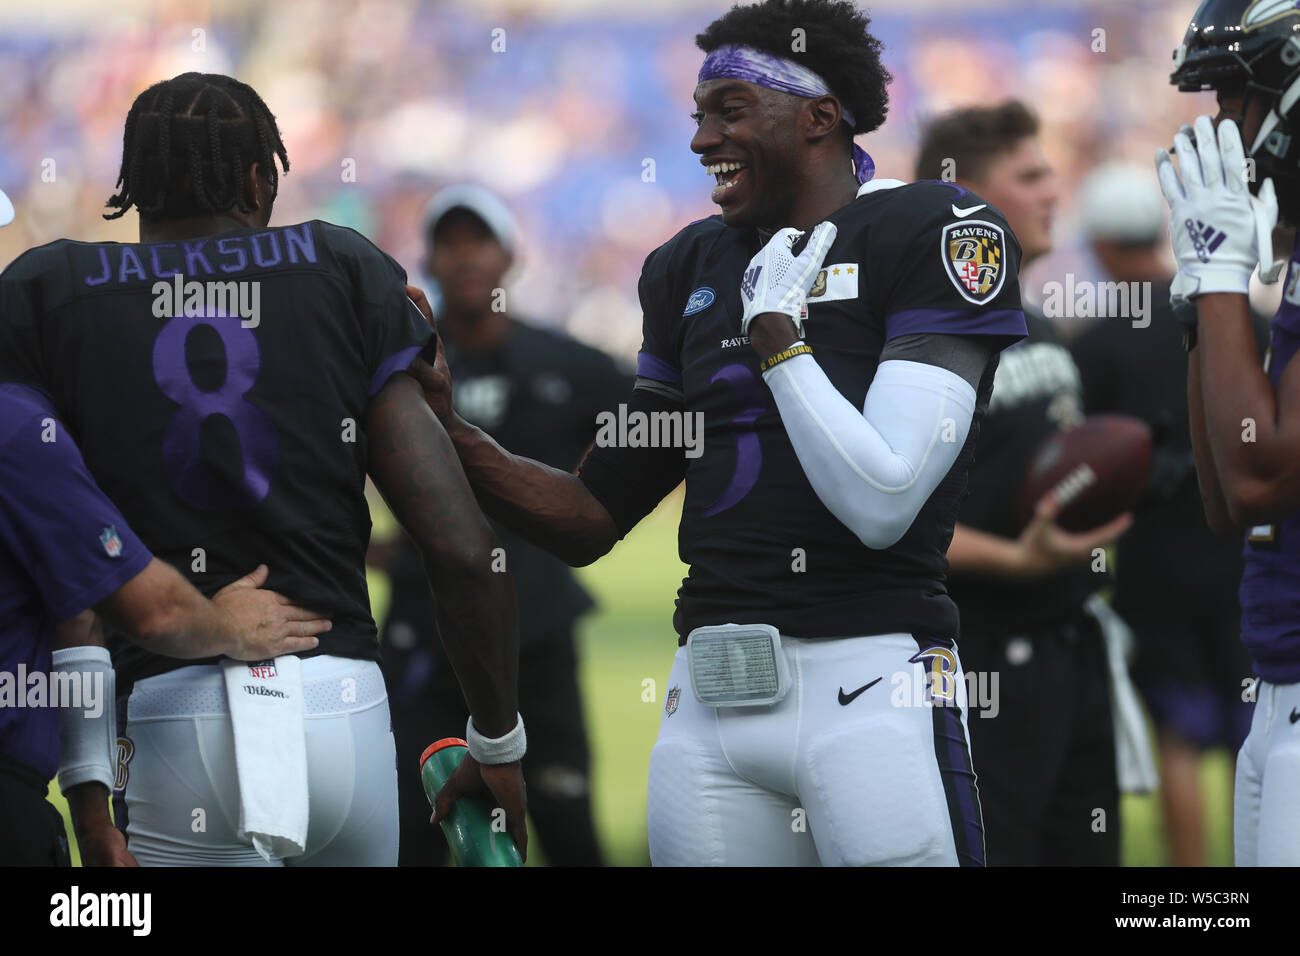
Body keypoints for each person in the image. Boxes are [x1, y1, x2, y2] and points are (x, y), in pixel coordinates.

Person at [407, 0, 1027, 866]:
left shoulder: (929, 229)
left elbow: (883, 502)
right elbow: (591, 514)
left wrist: (782, 345)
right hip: (707, 699)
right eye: (699, 114)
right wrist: (444, 426)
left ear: (820, 117)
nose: (702, 140)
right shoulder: (690, 265)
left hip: (869, 676)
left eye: (729, 110)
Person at [0, 72, 527, 865]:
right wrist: (497, 742)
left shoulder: (49, 290)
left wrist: (86, 789)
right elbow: (461, 546)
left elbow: (67, 579)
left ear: (133, 182)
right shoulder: (342, 267)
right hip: (342, 708)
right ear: (257, 179)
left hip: (169, 717)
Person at [377, 185, 625, 866]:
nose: (465, 257)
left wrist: (594, 503)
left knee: (569, 829)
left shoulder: (570, 362)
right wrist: (363, 544)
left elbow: (650, 436)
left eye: (479, 240)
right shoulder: (396, 370)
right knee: (413, 838)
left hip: (537, 630)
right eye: (449, 243)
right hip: (424, 633)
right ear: (429, 259)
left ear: (511, 256)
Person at [916, 101, 1134, 866]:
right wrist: (1016, 559)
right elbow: (884, 515)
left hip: (1070, 640)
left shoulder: (1033, 320)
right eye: (1031, 176)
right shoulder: (925, 334)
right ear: (969, 197)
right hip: (980, 654)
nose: (1053, 192)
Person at [0, 383, 328, 866]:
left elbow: (81, 617)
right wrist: (230, 625)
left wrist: (93, 820)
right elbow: (149, 613)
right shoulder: (16, 425)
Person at [1069, 160, 1264, 866]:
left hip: (1154, 562)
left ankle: (1188, 895)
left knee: (1178, 736)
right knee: (1257, 733)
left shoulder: (1095, 344)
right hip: (1246, 553)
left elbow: (1083, 465)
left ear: (1100, 243)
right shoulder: (1240, 318)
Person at [1162, 0, 1300, 866]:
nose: (1218, 127)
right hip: (1278, 684)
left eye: (1231, 99)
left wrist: (1220, 279)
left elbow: (1257, 480)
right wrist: (1201, 303)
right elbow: (1222, 498)